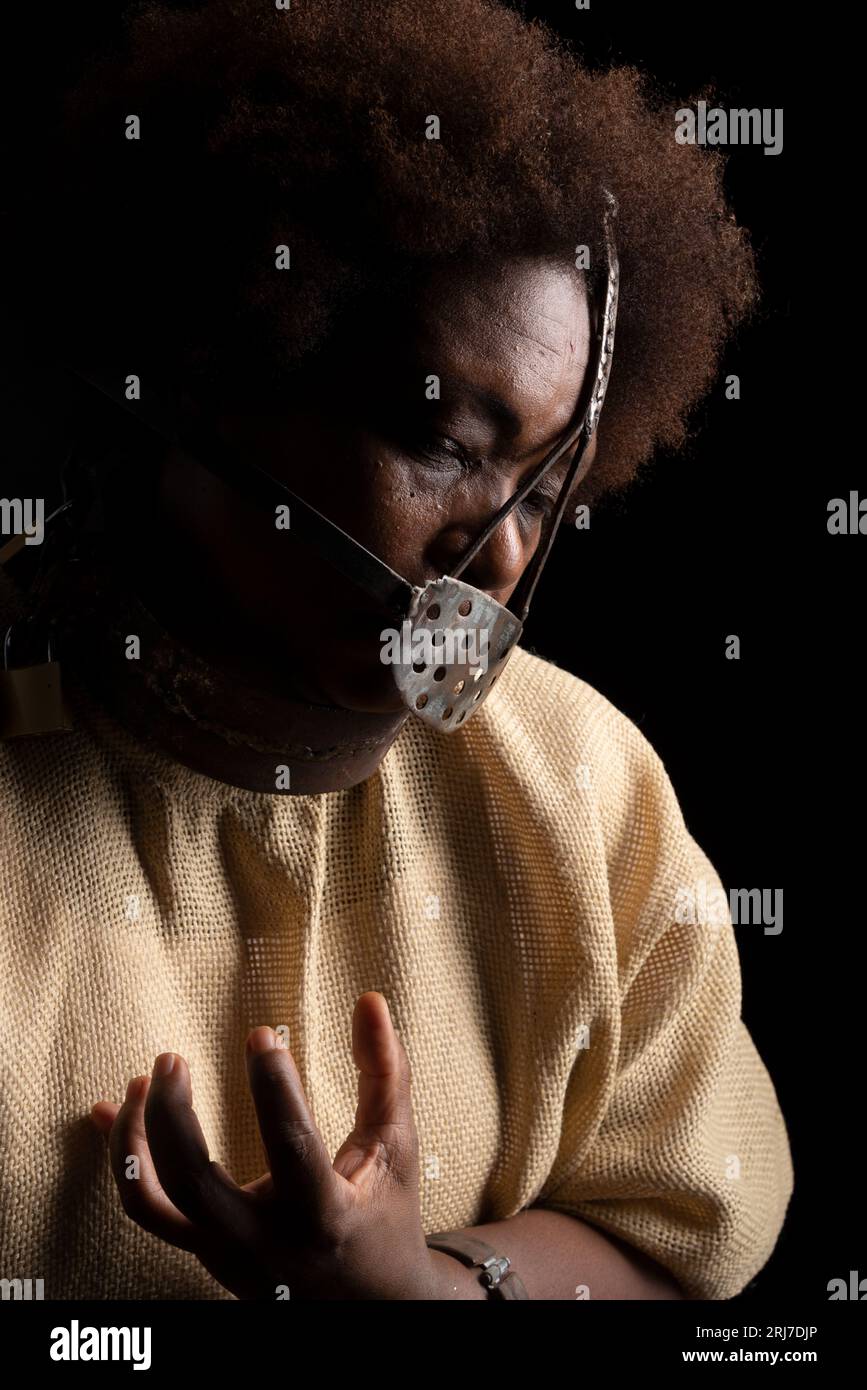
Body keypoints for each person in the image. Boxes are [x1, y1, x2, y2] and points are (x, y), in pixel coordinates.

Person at [0, 0, 792, 1299]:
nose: (504, 561)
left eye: (540, 487)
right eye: (445, 443)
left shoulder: (587, 790)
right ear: (210, 369)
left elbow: (675, 1235)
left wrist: (416, 1291)